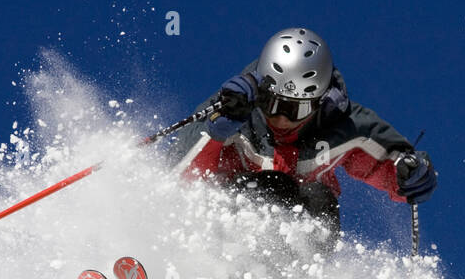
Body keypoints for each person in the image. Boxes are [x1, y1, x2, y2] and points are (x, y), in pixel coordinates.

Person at [167, 27, 437, 236]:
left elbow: (394, 163)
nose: (280, 118)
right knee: (274, 187)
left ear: (320, 103)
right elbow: (177, 175)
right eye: (270, 104)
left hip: (290, 243)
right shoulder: (236, 108)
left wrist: (412, 176)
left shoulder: (344, 126)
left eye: (294, 110)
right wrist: (217, 132)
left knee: (320, 201)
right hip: (218, 219)